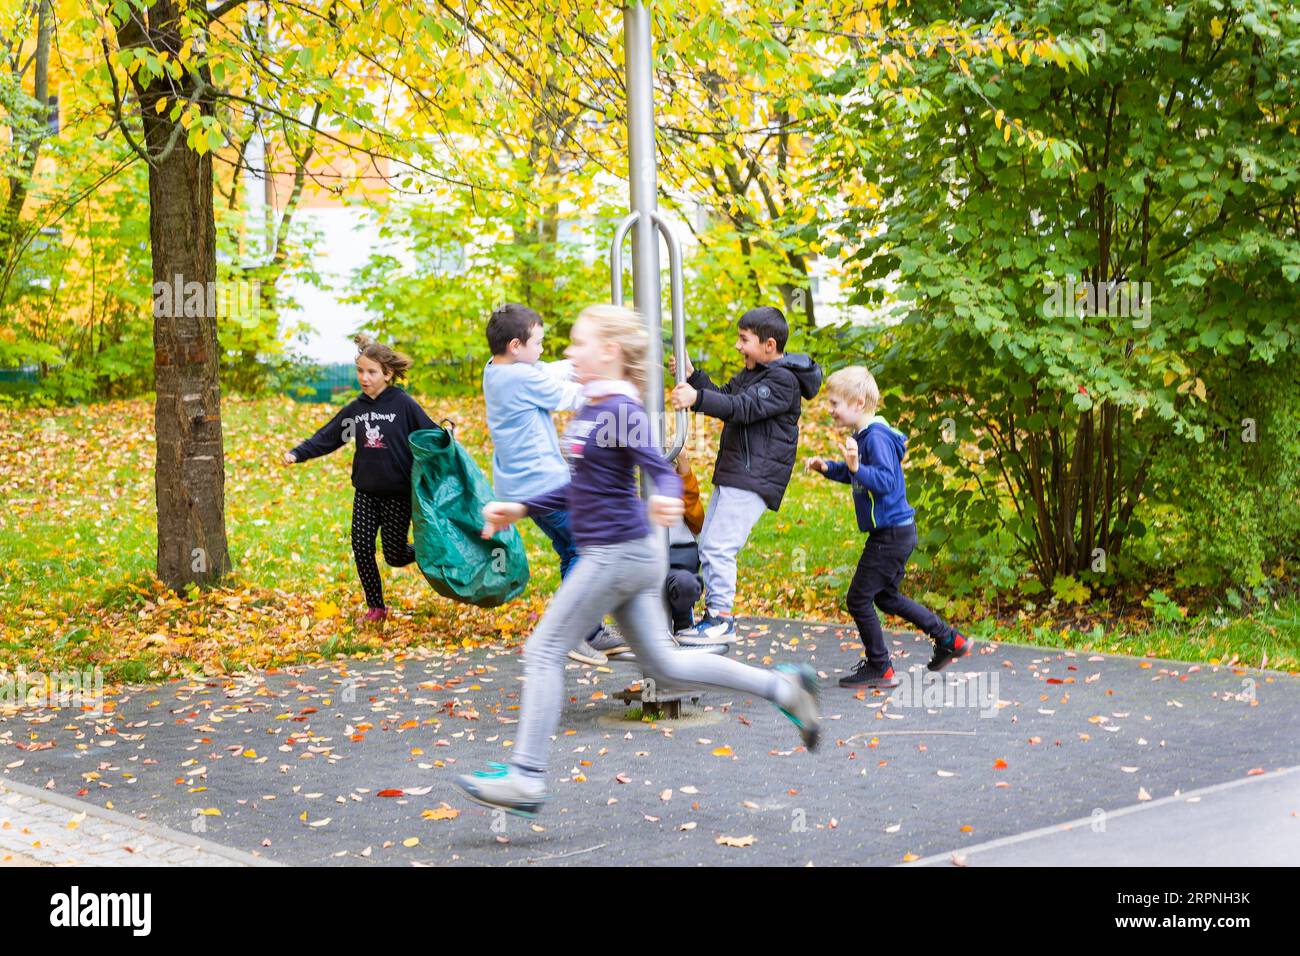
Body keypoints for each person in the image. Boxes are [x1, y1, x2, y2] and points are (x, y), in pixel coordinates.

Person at [454, 304, 820, 817]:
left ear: (608, 352)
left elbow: (657, 465)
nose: (567, 353)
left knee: (543, 650)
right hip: (626, 554)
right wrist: (521, 507)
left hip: (616, 554)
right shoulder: (595, 408)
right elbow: (579, 485)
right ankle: (785, 688)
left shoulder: (619, 410)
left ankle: (527, 777)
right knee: (666, 666)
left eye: (578, 343)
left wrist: (669, 493)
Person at [806, 366, 974, 687]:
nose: (830, 410)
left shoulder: (877, 438)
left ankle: (880, 667)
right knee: (884, 597)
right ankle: (951, 640)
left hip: (891, 534)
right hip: (895, 532)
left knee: (858, 598)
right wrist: (829, 467)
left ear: (857, 403)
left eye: (834, 404)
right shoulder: (865, 436)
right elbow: (859, 475)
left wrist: (856, 466)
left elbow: (882, 481)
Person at [481, 303, 627, 665]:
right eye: (539, 342)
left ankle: (590, 630)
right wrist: (613, 380)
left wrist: (580, 363)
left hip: (523, 486)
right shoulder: (521, 378)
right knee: (588, 548)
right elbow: (571, 396)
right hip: (544, 483)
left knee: (571, 549)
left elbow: (549, 370)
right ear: (516, 345)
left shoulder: (496, 371)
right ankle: (571, 630)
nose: (543, 348)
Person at [669, 306, 822, 640]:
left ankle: (721, 618)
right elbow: (726, 397)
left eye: (744, 340)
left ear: (769, 345)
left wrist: (696, 398)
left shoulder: (782, 380)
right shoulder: (753, 373)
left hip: (755, 477)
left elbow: (744, 408)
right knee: (707, 543)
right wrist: (695, 379)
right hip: (737, 471)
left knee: (719, 547)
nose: (738, 347)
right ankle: (713, 616)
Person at [283, 333, 436, 622]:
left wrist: (447, 437)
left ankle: (429, 549)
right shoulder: (357, 409)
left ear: (388, 374)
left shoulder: (402, 404)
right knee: (362, 546)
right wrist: (298, 453)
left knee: (395, 555)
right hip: (366, 492)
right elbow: (328, 436)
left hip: (397, 494)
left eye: (371, 372)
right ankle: (376, 607)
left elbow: (429, 434)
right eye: (360, 371)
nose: (364, 378)